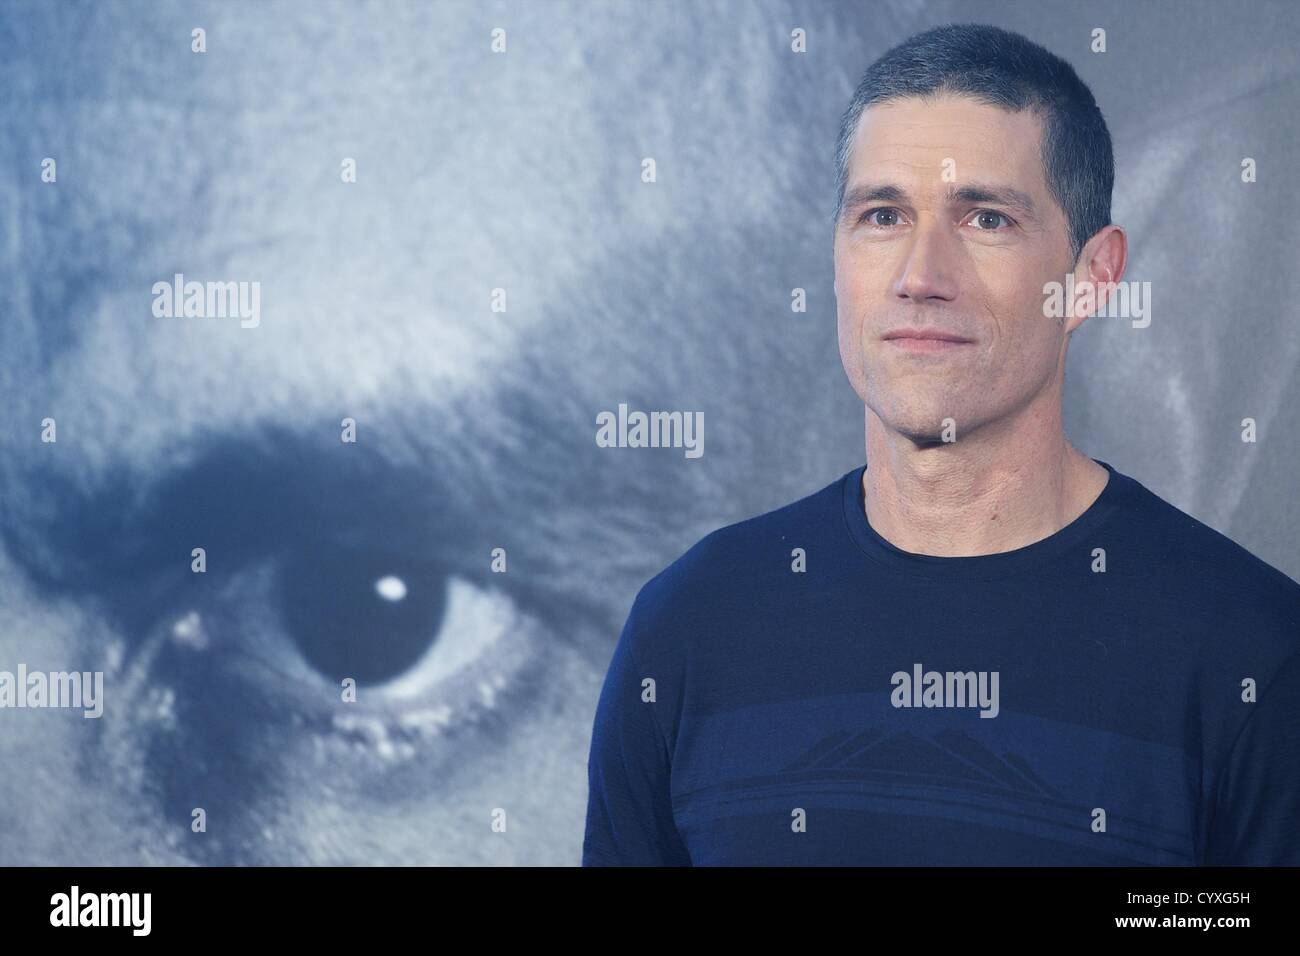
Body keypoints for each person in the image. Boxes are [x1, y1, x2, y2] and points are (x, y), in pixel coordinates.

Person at [582, 22, 1300, 866]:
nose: (921, 274)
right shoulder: (689, 626)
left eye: (986, 219)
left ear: (1091, 278)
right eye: (883, 215)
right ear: (837, 257)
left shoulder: (1251, 653)